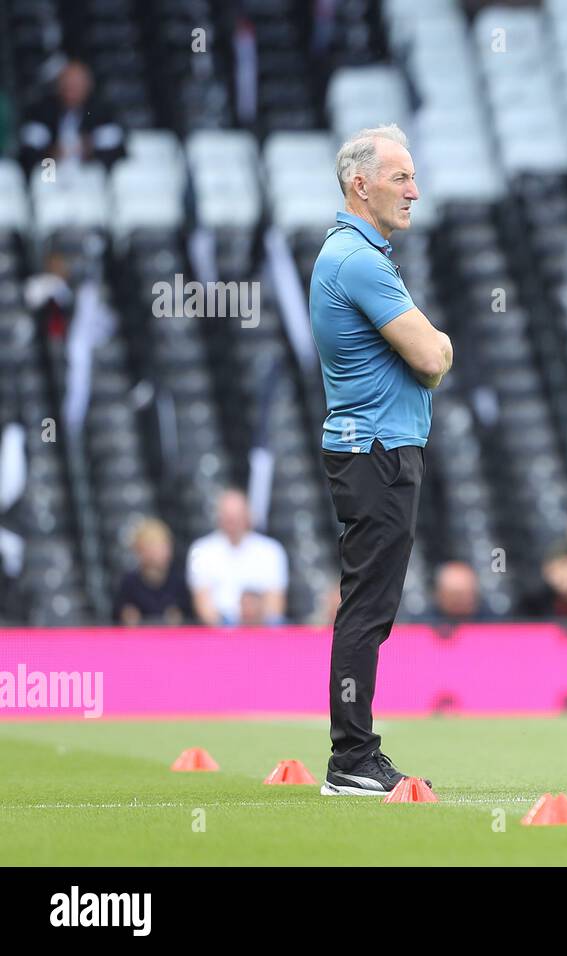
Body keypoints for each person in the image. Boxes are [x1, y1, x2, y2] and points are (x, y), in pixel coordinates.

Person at [310, 124, 453, 797]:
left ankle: (354, 752)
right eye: (400, 177)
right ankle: (351, 757)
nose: (414, 191)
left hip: (369, 450)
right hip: (378, 452)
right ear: (358, 184)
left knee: (367, 605)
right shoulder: (359, 260)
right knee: (368, 607)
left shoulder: (353, 254)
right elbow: (431, 357)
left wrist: (433, 346)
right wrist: (437, 346)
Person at [187, 490, 288, 626]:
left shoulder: (271, 550)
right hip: (218, 633)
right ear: (218, 516)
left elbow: (275, 606)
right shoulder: (200, 550)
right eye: (227, 516)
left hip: (260, 631)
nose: (232, 521)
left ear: (248, 515)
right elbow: (203, 605)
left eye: (236, 516)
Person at [18, 60, 125, 175]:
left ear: (88, 86)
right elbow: (30, 144)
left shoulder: (102, 112)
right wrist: (51, 151)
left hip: (89, 173)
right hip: (51, 170)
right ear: (58, 85)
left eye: (76, 85)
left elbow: (116, 147)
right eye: (67, 84)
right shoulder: (42, 110)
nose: (71, 90)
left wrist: (89, 148)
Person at [113, 518, 191, 625]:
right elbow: (119, 614)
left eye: (165, 546)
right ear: (140, 551)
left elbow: (188, 615)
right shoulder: (129, 583)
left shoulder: (179, 581)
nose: (163, 552)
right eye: (155, 547)